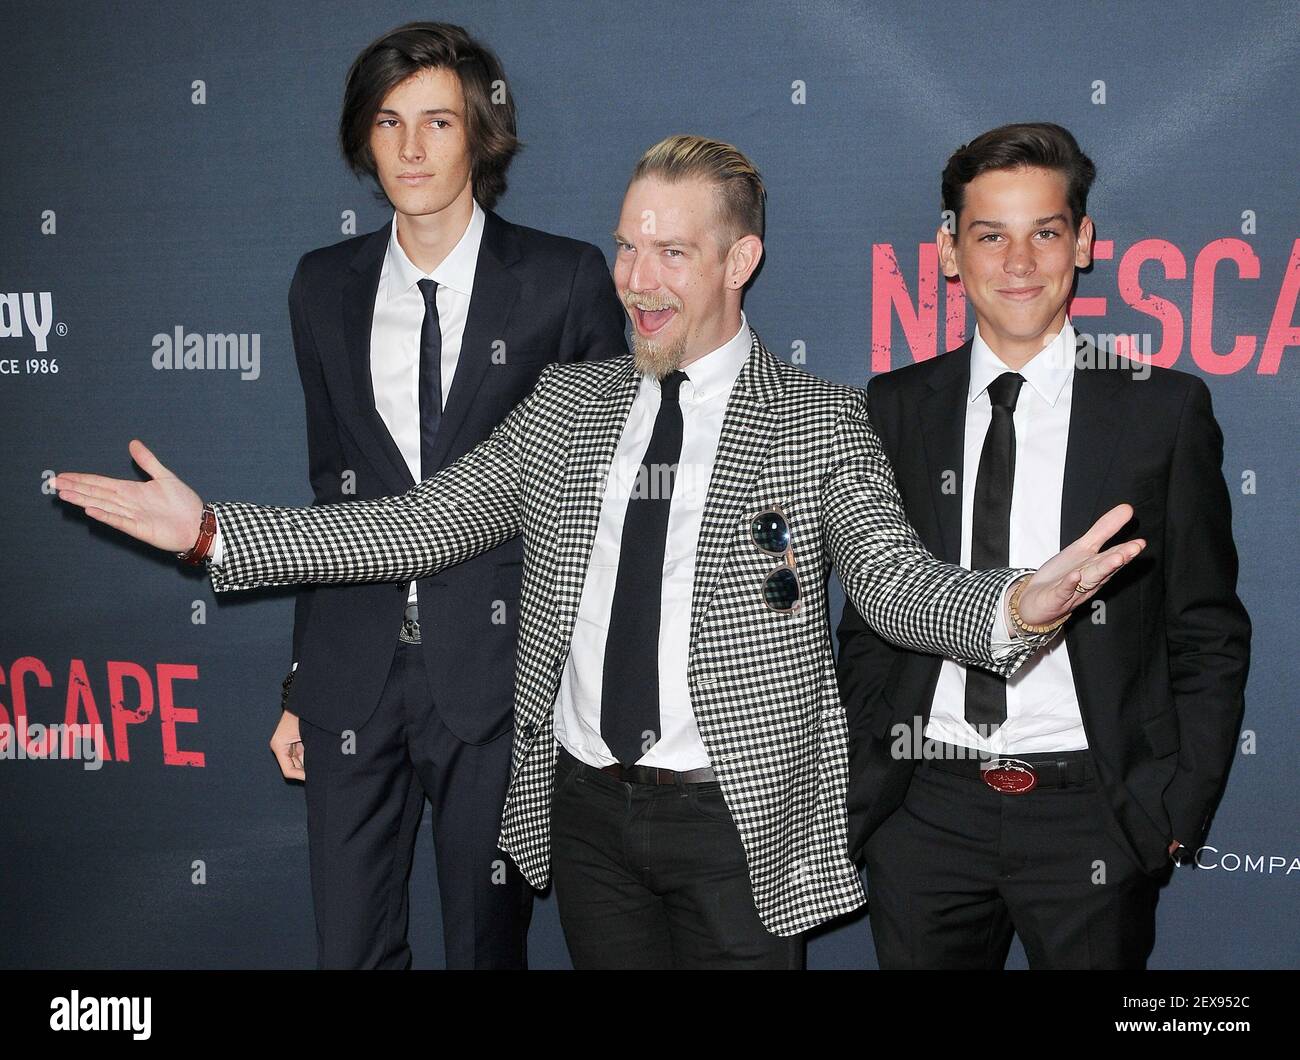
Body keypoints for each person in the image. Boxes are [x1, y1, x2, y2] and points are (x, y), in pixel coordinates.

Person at [53, 135, 1146, 970]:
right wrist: (210, 533)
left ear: (740, 260)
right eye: (628, 245)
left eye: (673, 249)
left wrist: (1010, 608)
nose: (637, 276)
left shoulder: (816, 418)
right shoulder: (569, 403)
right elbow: (420, 522)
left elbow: (894, 581)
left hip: (734, 820)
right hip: (582, 814)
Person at [251, 21, 622, 969]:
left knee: (484, 951)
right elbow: (331, 495)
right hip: (351, 674)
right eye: (387, 122)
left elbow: (601, 501)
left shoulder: (562, 279)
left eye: (437, 123)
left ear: (480, 137)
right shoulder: (320, 285)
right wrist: (303, 679)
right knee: (350, 953)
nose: (411, 149)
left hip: (499, 680)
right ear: (362, 140)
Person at [835, 122, 1250, 969]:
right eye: (990, 235)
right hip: (925, 814)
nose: (1018, 262)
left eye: (1045, 232)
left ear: (1083, 242)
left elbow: (1207, 630)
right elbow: (868, 615)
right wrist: (876, 785)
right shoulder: (895, 406)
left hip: (1091, 815)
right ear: (949, 250)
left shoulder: (1160, 412)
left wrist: (1172, 812)